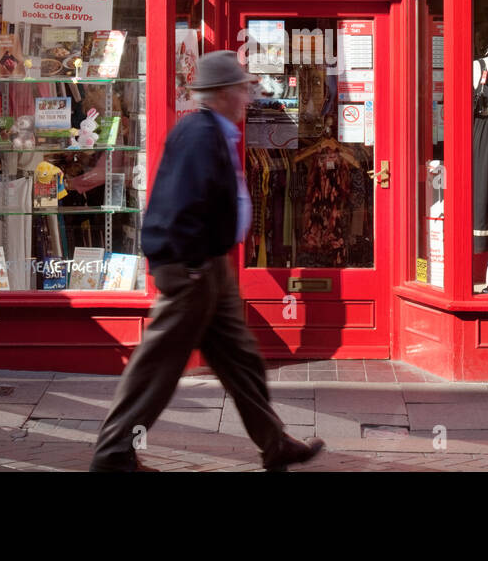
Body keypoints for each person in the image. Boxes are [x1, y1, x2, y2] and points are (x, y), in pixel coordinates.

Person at [90, 50, 325, 472]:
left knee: (240, 358)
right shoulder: (199, 134)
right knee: (158, 365)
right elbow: (181, 203)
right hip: (191, 266)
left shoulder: (211, 131)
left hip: (208, 265)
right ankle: (112, 456)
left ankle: (274, 444)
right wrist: (193, 264)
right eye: (240, 88)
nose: (247, 96)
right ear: (219, 93)